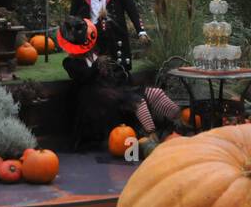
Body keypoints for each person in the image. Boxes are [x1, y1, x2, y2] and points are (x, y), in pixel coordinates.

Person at [58, 16, 179, 150]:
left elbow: (114, 73)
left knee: (155, 92)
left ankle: (178, 122)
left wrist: (111, 69)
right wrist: (98, 66)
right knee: (137, 101)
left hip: (113, 89)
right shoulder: (70, 63)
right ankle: (151, 138)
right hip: (95, 98)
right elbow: (84, 77)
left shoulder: (94, 52)